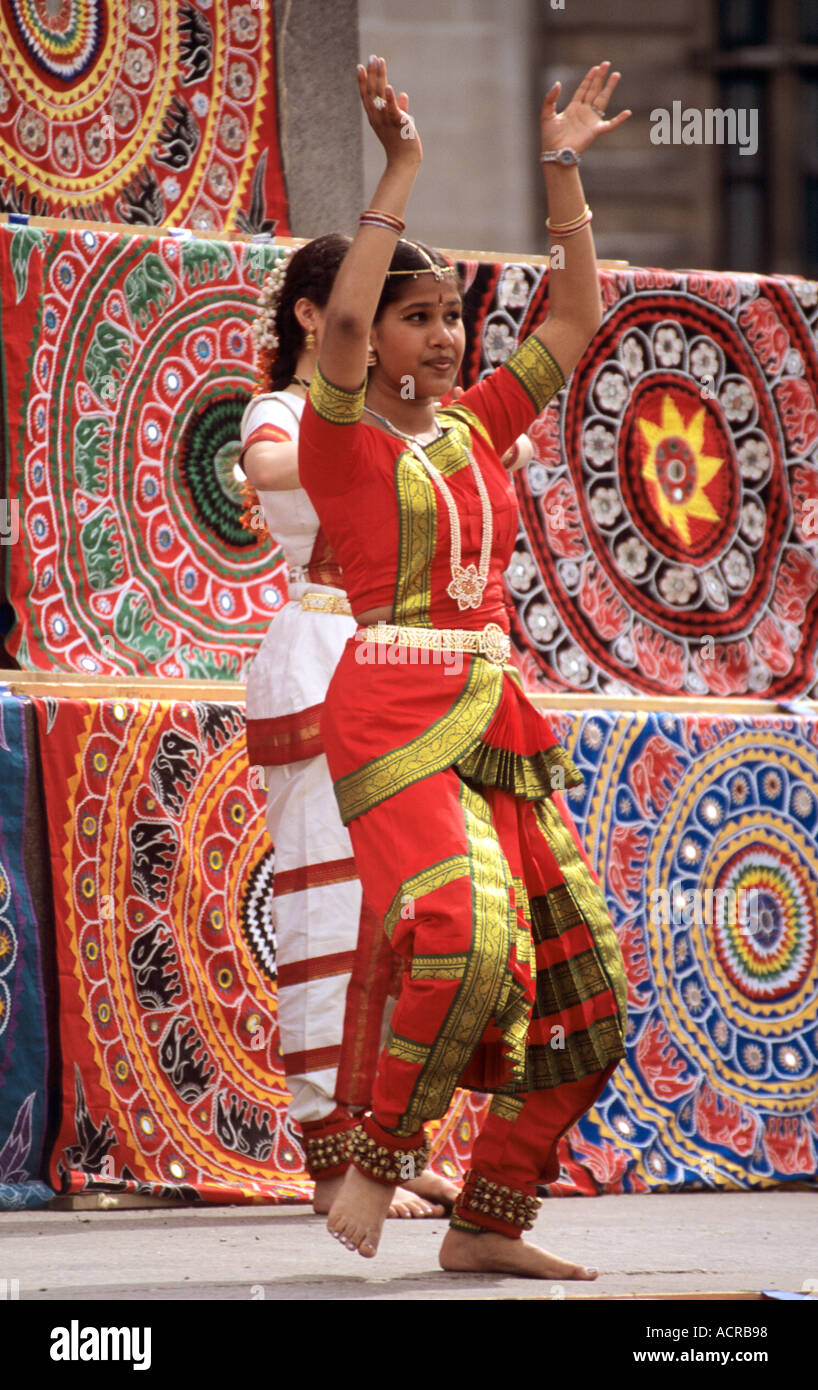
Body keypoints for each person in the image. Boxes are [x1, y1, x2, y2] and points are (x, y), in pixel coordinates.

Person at [298, 57, 631, 1278]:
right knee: (460, 931)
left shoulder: (477, 423)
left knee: (586, 991)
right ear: (368, 340)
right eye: (415, 317)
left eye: (449, 316)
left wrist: (561, 169)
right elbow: (335, 323)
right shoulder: (336, 441)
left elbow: (572, 321)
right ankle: (373, 1163)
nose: (442, 336)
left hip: (492, 714)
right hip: (386, 708)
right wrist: (403, 166)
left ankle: (489, 1223)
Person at [240, 234, 458, 1217]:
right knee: (331, 911)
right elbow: (289, 467)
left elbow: (503, 448)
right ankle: (331, 1154)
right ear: (310, 318)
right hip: (324, 656)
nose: (376, 335)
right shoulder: (281, 414)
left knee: (405, 917)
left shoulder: (391, 417)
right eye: (363, 311)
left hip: (401, 666)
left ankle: (389, 1141)